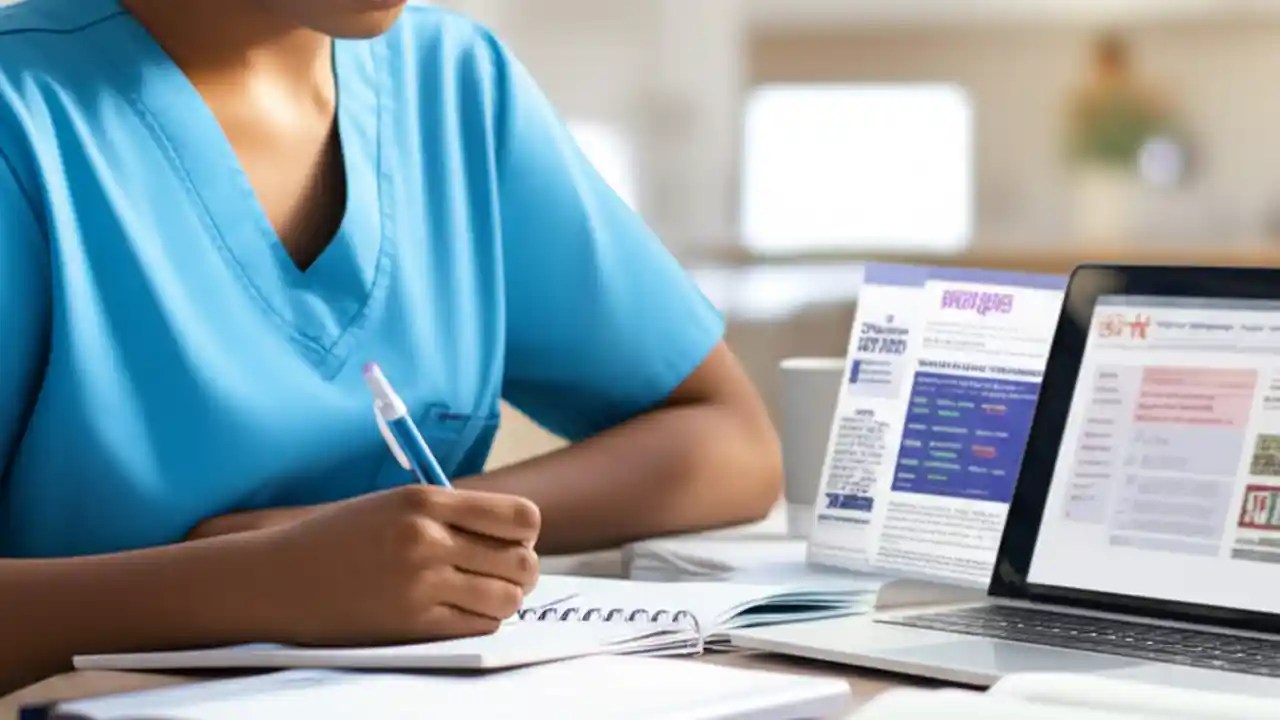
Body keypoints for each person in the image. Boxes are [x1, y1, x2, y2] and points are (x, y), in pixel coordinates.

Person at [0, 0, 782, 693]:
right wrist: (257, 584)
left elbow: (727, 441)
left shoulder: (454, 86)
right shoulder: (22, 117)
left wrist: (430, 543)